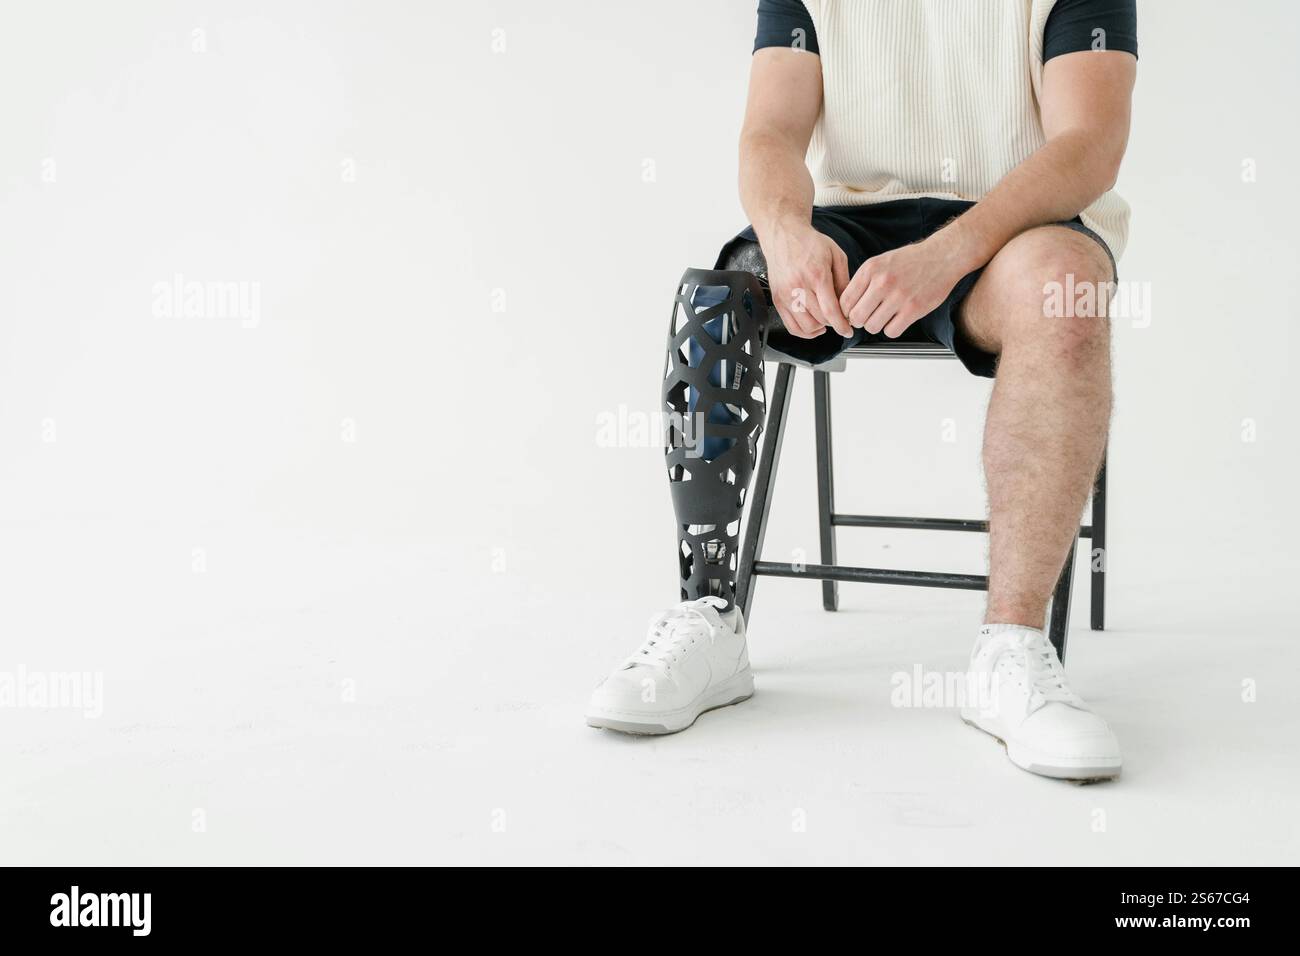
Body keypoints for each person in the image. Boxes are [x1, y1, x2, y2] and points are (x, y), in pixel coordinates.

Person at [587, 0, 1137, 781]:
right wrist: (784, 236)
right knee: (716, 301)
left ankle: (1011, 651)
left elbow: (1091, 144)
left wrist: (950, 252)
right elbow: (771, 131)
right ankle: (710, 615)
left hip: (1011, 225)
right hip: (851, 224)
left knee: (1065, 292)